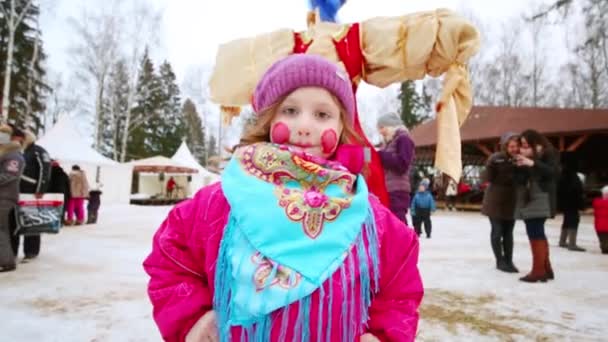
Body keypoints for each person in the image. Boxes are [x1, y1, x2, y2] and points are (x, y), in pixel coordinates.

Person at [143, 55, 423, 342]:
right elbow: (170, 260)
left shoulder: (370, 218)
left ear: (341, 128)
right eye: (289, 110)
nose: (304, 126)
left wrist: (382, 335)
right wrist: (193, 319)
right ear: (268, 119)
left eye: (322, 115)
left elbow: (400, 288)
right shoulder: (220, 201)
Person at [514, 129, 560, 283]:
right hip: (529, 197)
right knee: (536, 232)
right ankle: (545, 269)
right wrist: (520, 165)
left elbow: (553, 173)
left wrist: (532, 163)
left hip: (541, 196)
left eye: (526, 144)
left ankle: (538, 271)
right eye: (522, 145)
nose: (523, 147)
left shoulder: (549, 153)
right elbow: (520, 180)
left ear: (535, 142)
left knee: (535, 232)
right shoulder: (528, 156)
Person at [9, 128, 51, 261]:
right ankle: (12, 251)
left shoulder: (38, 151)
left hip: (31, 192)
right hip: (16, 191)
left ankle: (31, 251)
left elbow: (45, 170)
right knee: (13, 222)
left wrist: (40, 189)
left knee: (30, 221)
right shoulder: (20, 151)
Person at [481, 132, 520, 273]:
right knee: (497, 232)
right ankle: (500, 261)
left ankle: (509, 260)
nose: (514, 149)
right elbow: (487, 178)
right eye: (511, 146)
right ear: (505, 146)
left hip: (511, 200)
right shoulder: (497, 159)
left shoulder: (520, 160)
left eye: (516, 146)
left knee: (509, 232)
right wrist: (491, 164)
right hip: (495, 201)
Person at [376, 113, 415, 225]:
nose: (380, 131)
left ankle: (404, 242)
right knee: (390, 222)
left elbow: (402, 164)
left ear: (391, 126)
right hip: (388, 189)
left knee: (397, 221)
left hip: (398, 190)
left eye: (382, 127)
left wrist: (381, 155)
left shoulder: (404, 139)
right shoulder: (388, 144)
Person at [0, 125, 25, 272]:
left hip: (5, 197)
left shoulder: (14, 155)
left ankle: (7, 261)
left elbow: (10, 175)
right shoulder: (5, 153)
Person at [557, 152, 586, 251]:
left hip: (565, 201)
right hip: (571, 202)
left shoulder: (563, 172)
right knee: (574, 219)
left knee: (567, 220)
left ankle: (562, 240)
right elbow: (575, 189)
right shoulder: (571, 174)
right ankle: (572, 243)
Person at [592, 186, 608, 254]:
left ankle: (604, 247)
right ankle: (605, 247)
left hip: (599, 226)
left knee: (603, 239)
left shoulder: (597, 203)